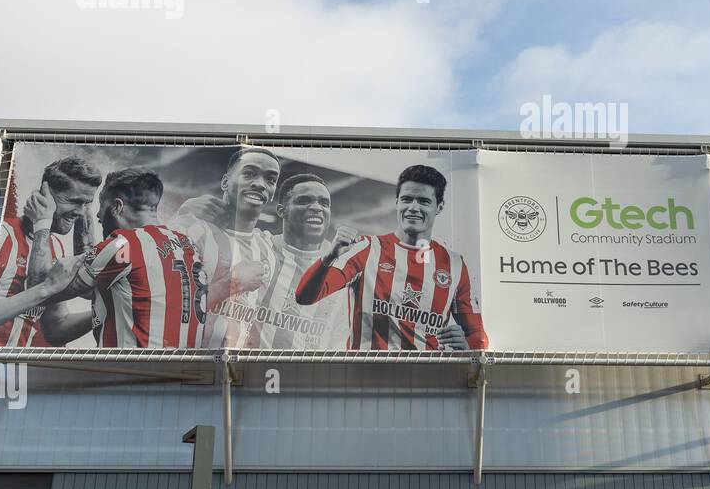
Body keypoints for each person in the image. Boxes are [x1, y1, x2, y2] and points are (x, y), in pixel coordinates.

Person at [295, 164, 487, 351]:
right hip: (366, 377)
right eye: (406, 199)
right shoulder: (366, 247)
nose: (413, 207)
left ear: (439, 207)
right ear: (397, 202)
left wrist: (468, 345)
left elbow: (478, 335)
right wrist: (329, 257)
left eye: (423, 201)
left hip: (426, 378)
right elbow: (304, 297)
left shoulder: (454, 264)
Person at [40, 169, 207, 348]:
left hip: (130, 369)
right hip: (183, 368)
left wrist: (41, 221)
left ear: (117, 207)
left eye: (101, 211)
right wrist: (85, 206)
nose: (98, 216)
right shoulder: (188, 246)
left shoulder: (126, 244)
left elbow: (46, 291)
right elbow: (93, 284)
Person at [0, 156, 101, 347]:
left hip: (14, 372)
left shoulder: (57, 246)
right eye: (73, 201)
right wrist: (46, 288)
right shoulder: (2, 236)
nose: (80, 212)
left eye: (86, 203)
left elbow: (56, 327)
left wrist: (105, 313)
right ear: (44, 195)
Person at [174, 147, 280, 347]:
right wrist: (232, 283)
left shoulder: (267, 251)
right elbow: (168, 308)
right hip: (187, 364)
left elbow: (253, 321)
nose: (260, 184)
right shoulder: (193, 231)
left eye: (271, 180)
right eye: (249, 174)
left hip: (232, 371)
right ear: (225, 182)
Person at [252, 173, 350, 349]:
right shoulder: (259, 246)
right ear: (282, 211)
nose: (317, 208)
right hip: (253, 369)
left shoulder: (344, 268)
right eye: (304, 201)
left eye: (324, 203)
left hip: (308, 372)